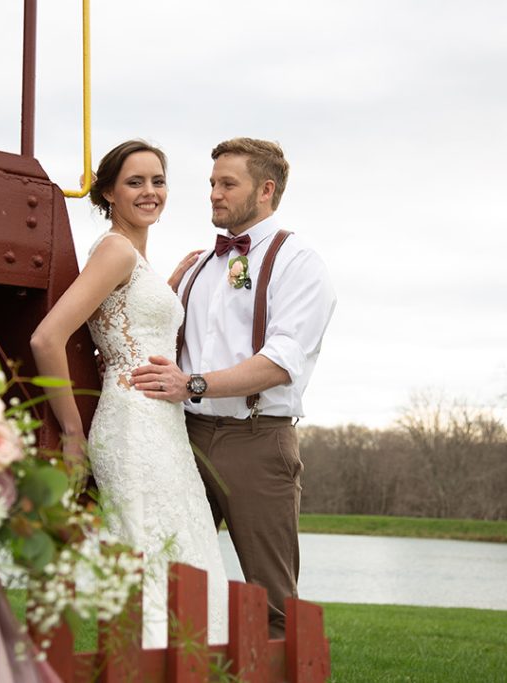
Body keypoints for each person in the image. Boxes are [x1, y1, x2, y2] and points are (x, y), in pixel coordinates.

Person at [131, 137, 337, 639]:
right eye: (211, 183)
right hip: (186, 439)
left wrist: (192, 384)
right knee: (171, 585)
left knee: (274, 606)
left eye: (228, 184)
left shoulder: (300, 262)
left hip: (257, 442)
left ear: (265, 190)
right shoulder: (200, 264)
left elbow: (281, 362)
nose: (214, 194)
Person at [30, 140, 228, 648]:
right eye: (135, 182)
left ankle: (179, 662)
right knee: (149, 549)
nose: (149, 191)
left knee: (175, 546)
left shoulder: (131, 255)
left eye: (157, 181)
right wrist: (72, 432)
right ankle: (152, 660)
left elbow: (128, 319)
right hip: (134, 425)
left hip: (162, 423)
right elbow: (47, 339)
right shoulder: (116, 250)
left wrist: (167, 285)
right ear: (108, 193)